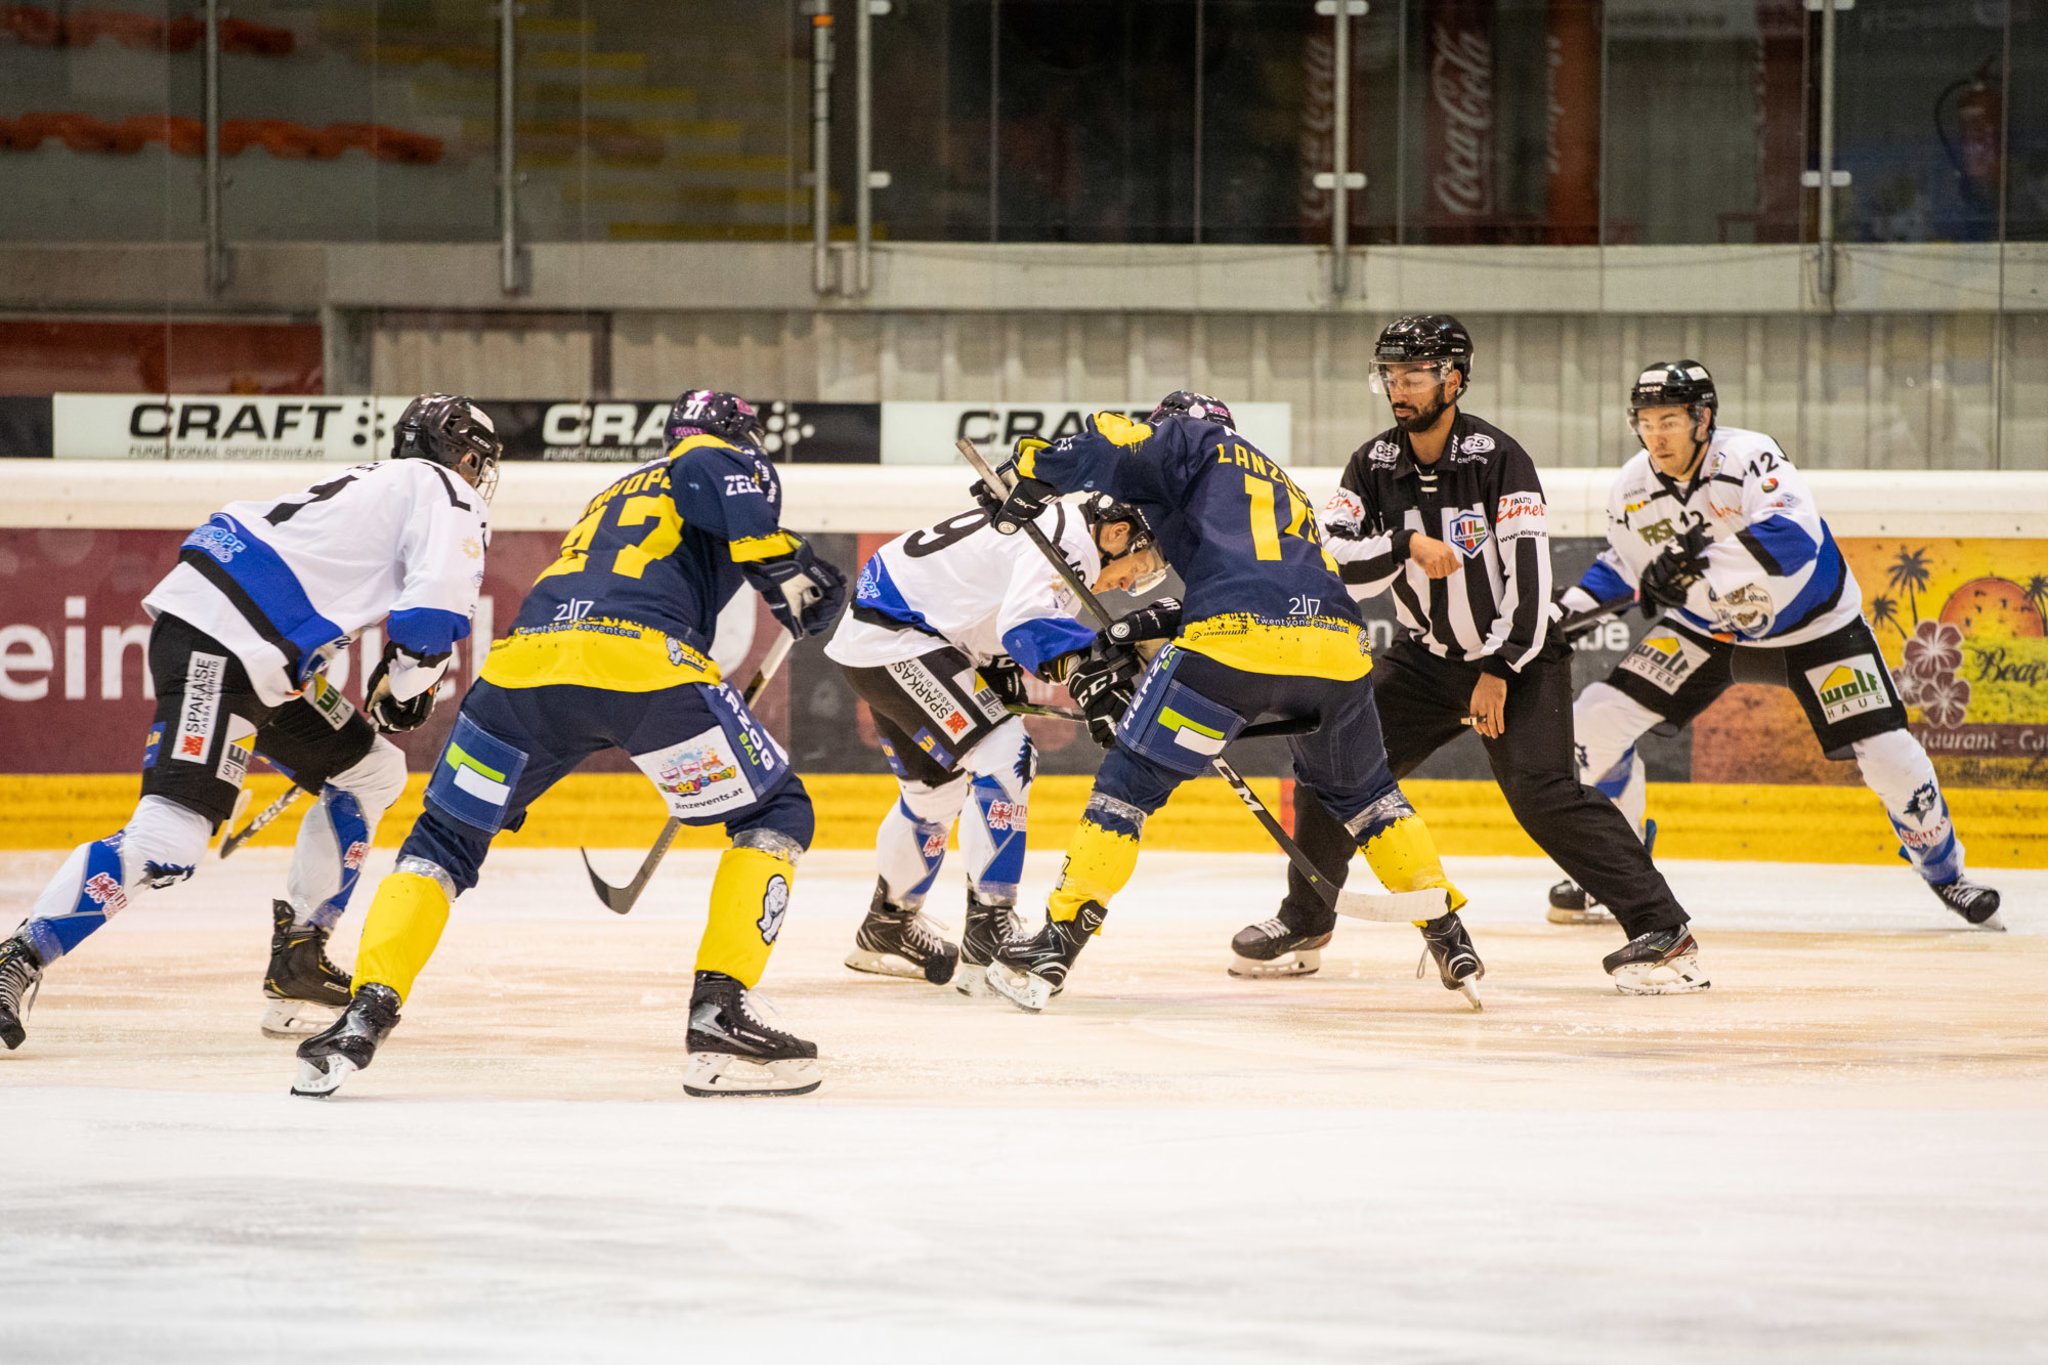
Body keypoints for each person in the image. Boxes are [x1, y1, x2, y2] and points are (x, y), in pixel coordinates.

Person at [288, 389, 848, 1100]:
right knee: (776, 812)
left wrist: (782, 580)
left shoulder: (615, 489)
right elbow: (707, 467)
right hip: (642, 668)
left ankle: (364, 1012)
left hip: (522, 673)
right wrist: (785, 565)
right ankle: (720, 1012)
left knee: (442, 843)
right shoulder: (720, 459)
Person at [0, 395, 498, 1051]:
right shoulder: (445, 492)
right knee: (171, 836)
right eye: (477, 461)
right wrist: (411, 683)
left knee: (371, 770)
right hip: (224, 648)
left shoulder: (379, 484)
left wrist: (398, 672)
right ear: (461, 456)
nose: (478, 476)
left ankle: (299, 959)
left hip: (248, 649)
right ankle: (18, 957)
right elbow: (433, 612)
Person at [1235, 316, 1708, 995]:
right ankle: (1306, 921)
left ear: (1454, 379)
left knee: (1544, 794)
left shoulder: (1499, 459)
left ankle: (1664, 930)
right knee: (1331, 768)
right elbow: (1333, 560)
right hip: (1424, 660)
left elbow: (1531, 581)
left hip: (1517, 656)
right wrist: (1402, 544)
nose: (1399, 389)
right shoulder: (1372, 464)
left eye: (1414, 376)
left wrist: (1500, 668)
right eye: (1390, 376)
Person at [980, 390, 1477, 1012]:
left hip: (1230, 646)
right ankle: (1447, 932)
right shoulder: (1277, 479)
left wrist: (1030, 470)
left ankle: (1057, 944)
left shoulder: (1191, 440)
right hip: (1336, 647)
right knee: (1370, 798)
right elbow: (1265, 573)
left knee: (1127, 788)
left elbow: (1110, 442)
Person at [1549, 359, 2002, 929]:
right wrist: (1561, 614)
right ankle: (1618, 872)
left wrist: (1692, 561)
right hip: (1707, 630)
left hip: (1818, 628)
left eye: (1669, 421)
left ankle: (1947, 874)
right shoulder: (1631, 488)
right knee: (1595, 718)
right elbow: (1625, 566)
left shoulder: (1750, 456)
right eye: (1645, 421)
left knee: (1890, 755)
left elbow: (1793, 538)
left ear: (1702, 419)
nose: (1656, 436)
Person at [824, 487, 1171, 992]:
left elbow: (994, 609)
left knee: (933, 794)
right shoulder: (1072, 540)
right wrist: (1087, 673)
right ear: (1118, 533)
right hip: (902, 639)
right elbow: (1025, 622)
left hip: (887, 636)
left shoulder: (1060, 521)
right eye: (1143, 564)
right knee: (1007, 754)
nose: (1132, 581)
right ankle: (990, 928)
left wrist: (1005, 667)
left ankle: (887, 926)